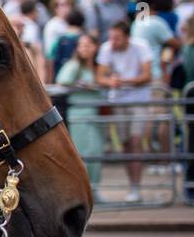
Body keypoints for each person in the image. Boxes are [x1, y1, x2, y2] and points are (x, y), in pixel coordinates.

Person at [97, 21, 155, 202]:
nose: (113, 41)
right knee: (125, 144)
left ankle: (136, 185)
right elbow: (101, 76)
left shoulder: (141, 47)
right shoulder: (106, 49)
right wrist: (111, 82)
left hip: (138, 100)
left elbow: (147, 75)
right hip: (119, 100)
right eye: (111, 37)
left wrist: (124, 81)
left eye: (117, 37)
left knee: (136, 140)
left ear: (127, 37)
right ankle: (132, 184)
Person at [55, 31, 104, 193]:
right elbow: (62, 81)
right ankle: (84, 190)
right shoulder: (74, 65)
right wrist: (83, 85)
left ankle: (94, 189)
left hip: (95, 114)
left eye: (88, 45)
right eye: (81, 45)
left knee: (96, 151)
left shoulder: (98, 66)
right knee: (84, 152)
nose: (84, 48)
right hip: (79, 114)